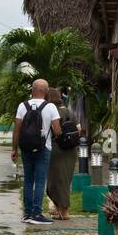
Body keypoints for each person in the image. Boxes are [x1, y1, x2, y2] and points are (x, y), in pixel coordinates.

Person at [12, 78, 62, 226]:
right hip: (43, 148)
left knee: (28, 180)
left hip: (26, 148)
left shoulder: (23, 106)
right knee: (40, 180)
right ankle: (37, 213)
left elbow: (17, 130)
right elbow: (57, 130)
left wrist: (14, 149)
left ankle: (27, 213)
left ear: (32, 91)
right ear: (46, 92)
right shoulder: (51, 107)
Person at [45, 87, 79, 220]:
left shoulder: (51, 111)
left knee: (55, 181)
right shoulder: (69, 112)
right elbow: (79, 128)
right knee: (64, 180)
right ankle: (61, 210)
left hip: (56, 149)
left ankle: (64, 212)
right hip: (70, 150)